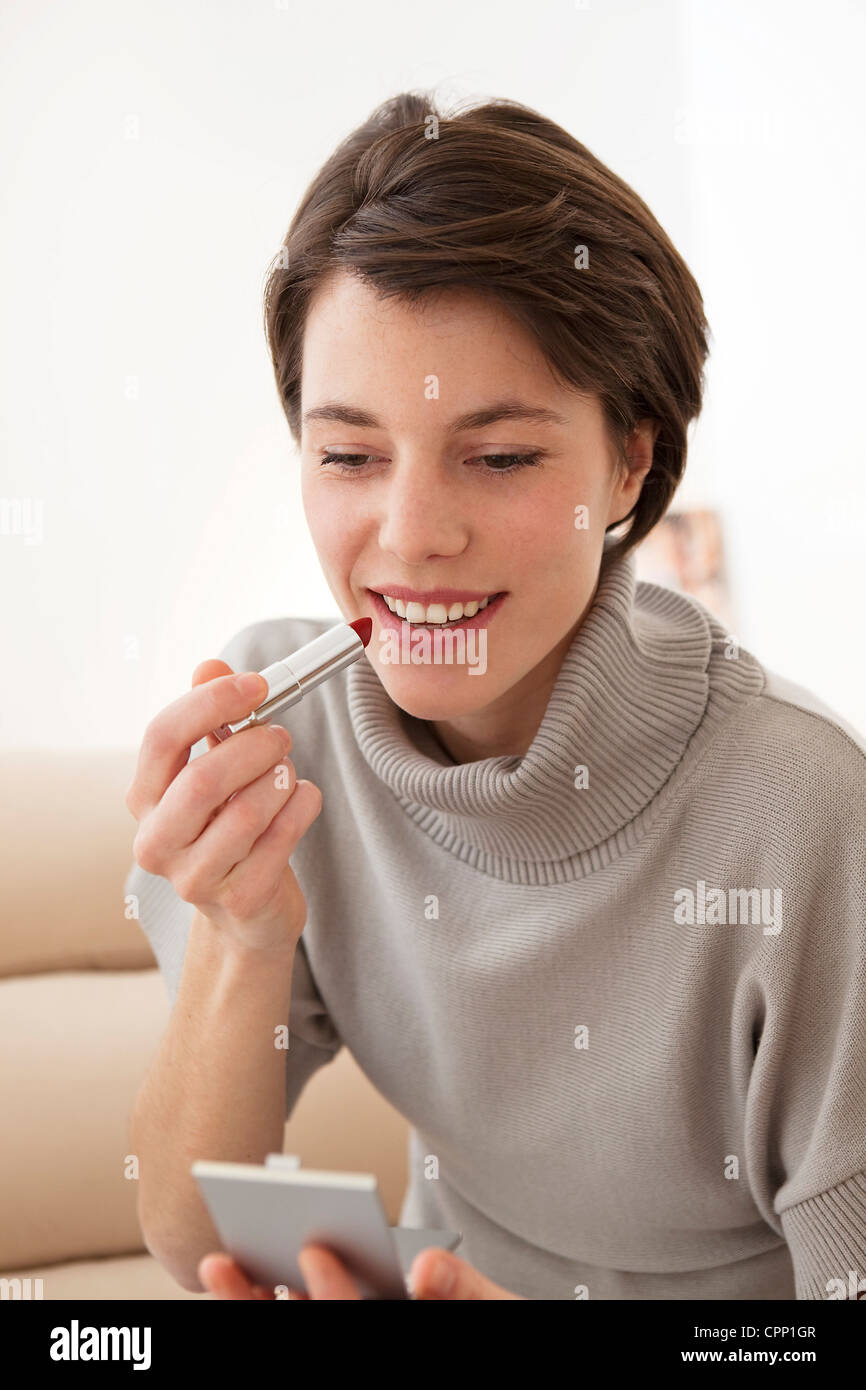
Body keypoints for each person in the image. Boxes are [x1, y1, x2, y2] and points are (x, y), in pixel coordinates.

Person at [124, 92, 866, 1301]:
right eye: (350, 455)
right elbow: (189, 1233)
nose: (410, 539)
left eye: (502, 455)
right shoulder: (285, 735)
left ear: (629, 458)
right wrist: (242, 933)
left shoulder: (807, 812)